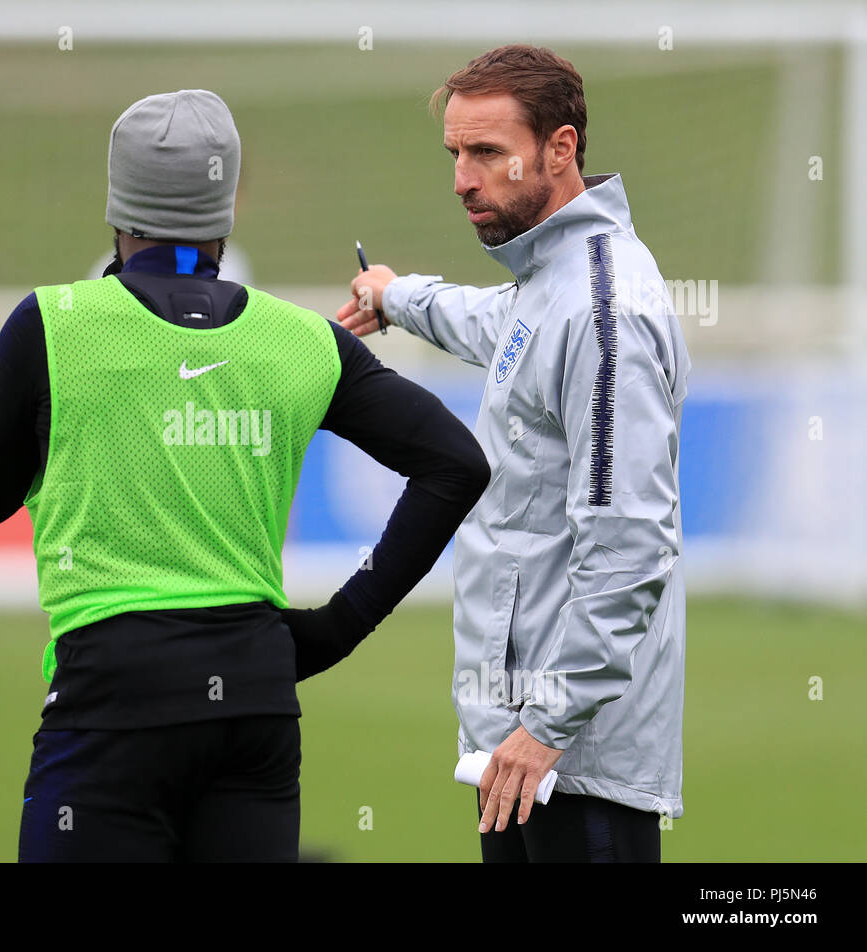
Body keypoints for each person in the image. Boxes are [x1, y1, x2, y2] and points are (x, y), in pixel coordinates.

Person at [0, 88, 489, 862]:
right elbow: (456, 463)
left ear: (118, 206)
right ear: (223, 210)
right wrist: (338, 626)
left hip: (110, 703)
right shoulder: (303, 340)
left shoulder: (51, 325)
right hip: (255, 707)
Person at [339, 44, 690, 863]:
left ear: (560, 150)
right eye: (456, 154)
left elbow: (630, 546)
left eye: (488, 153)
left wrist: (547, 726)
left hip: (575, 757)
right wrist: (395, 296)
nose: (463, 177)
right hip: (519, 746)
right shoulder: (552, 279)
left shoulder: (605, 313)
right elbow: (497, 323)